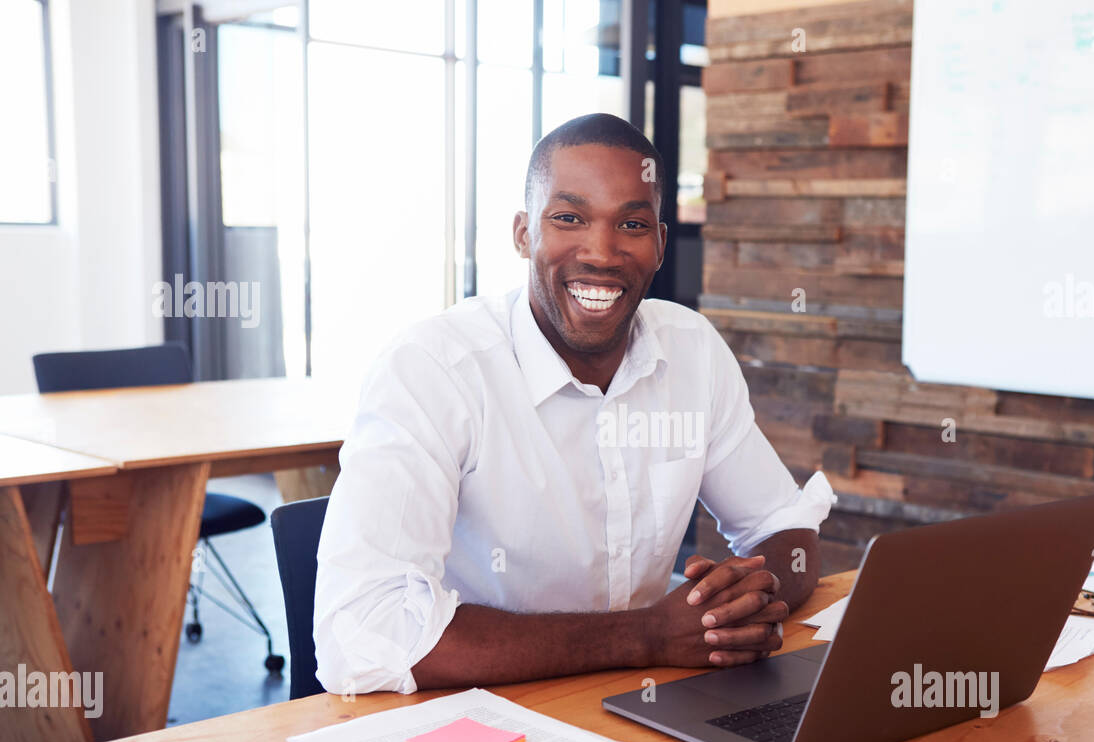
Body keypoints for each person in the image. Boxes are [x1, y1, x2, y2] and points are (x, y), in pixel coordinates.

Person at [314, 112, 835, 694]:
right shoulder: (434, 369)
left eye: (633, 224)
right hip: (468, 717)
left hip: (638, 701)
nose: (602, 252)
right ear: (522, 233)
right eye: (568, 218)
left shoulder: (693, 352)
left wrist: (738, 607)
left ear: (661, 245)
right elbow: (359, 635)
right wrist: (646, 637)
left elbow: (783, 530)